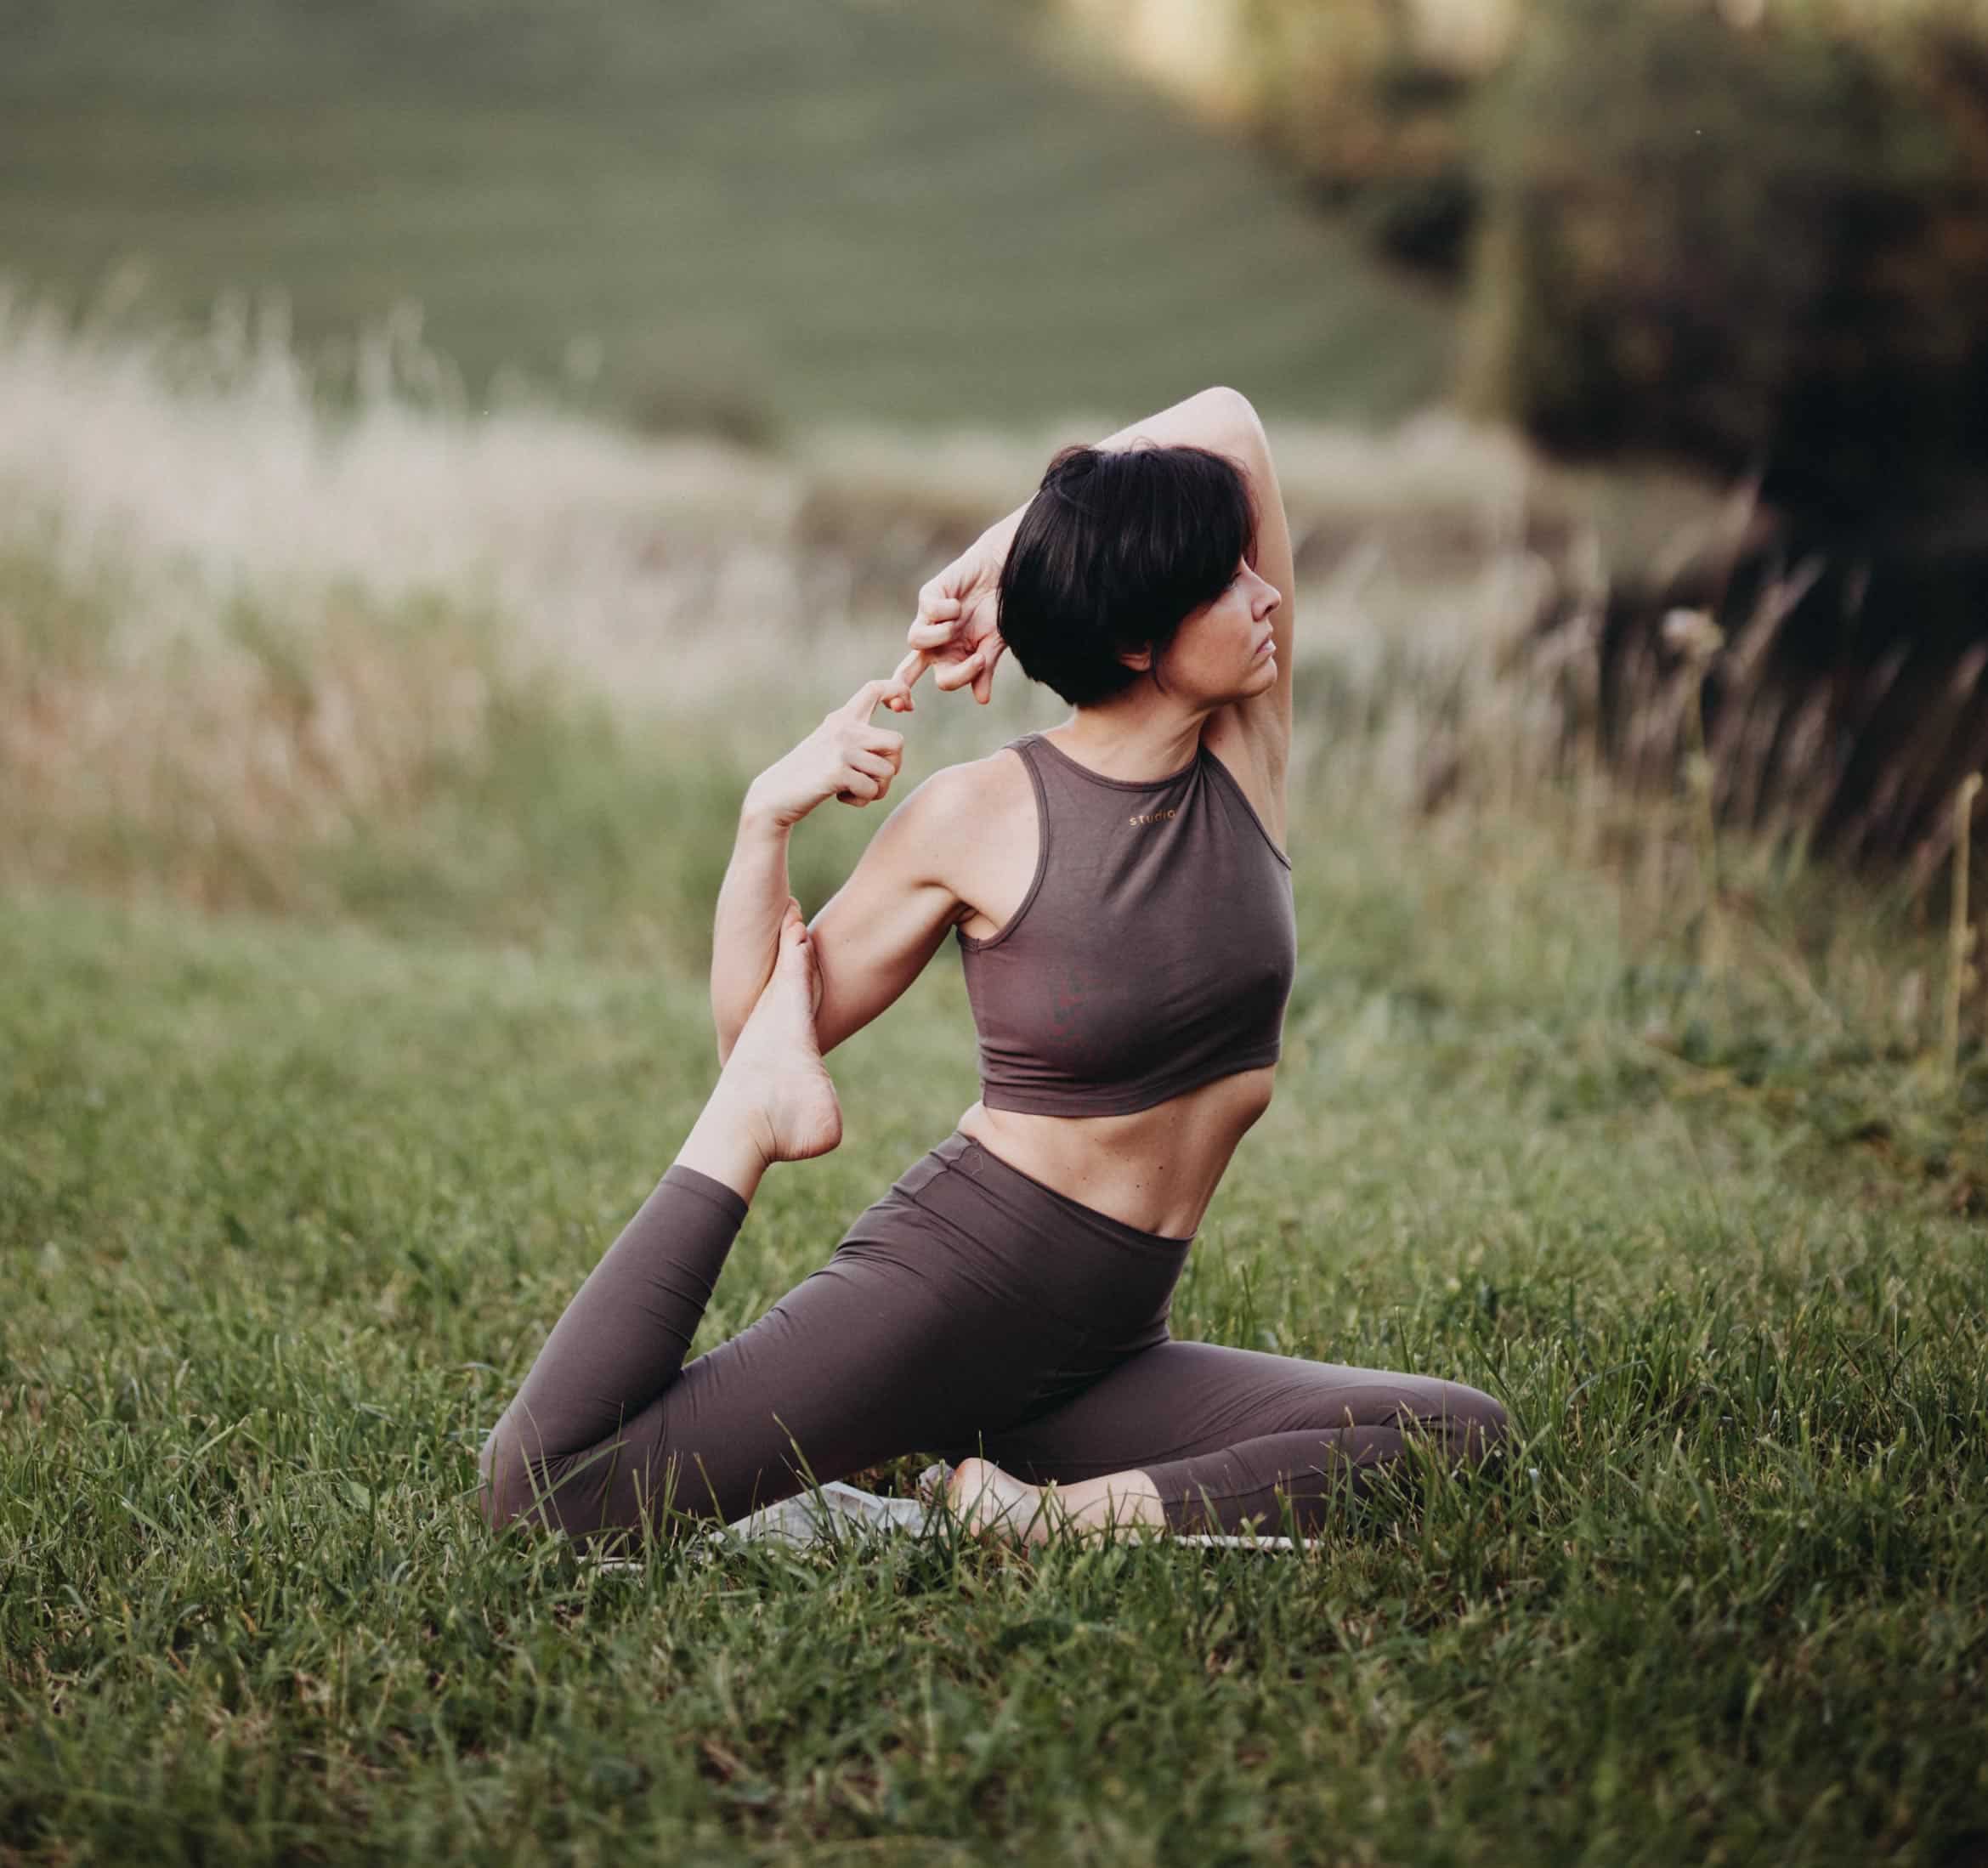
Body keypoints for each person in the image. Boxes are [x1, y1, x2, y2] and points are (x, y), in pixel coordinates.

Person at [477, 386, 1508, 1550]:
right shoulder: (976, 815)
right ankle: (961, 1455)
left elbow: (1226, 420)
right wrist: (766, 820)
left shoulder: (1245, 753)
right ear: (1137, 638)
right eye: (1228, 579)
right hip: (956, 1290)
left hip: (1107, 1343)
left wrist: (1005, 543)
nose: (1269, 592)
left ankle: (1038, 1515)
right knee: (554, 1492)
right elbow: (756, 1028)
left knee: (1458, 1437)